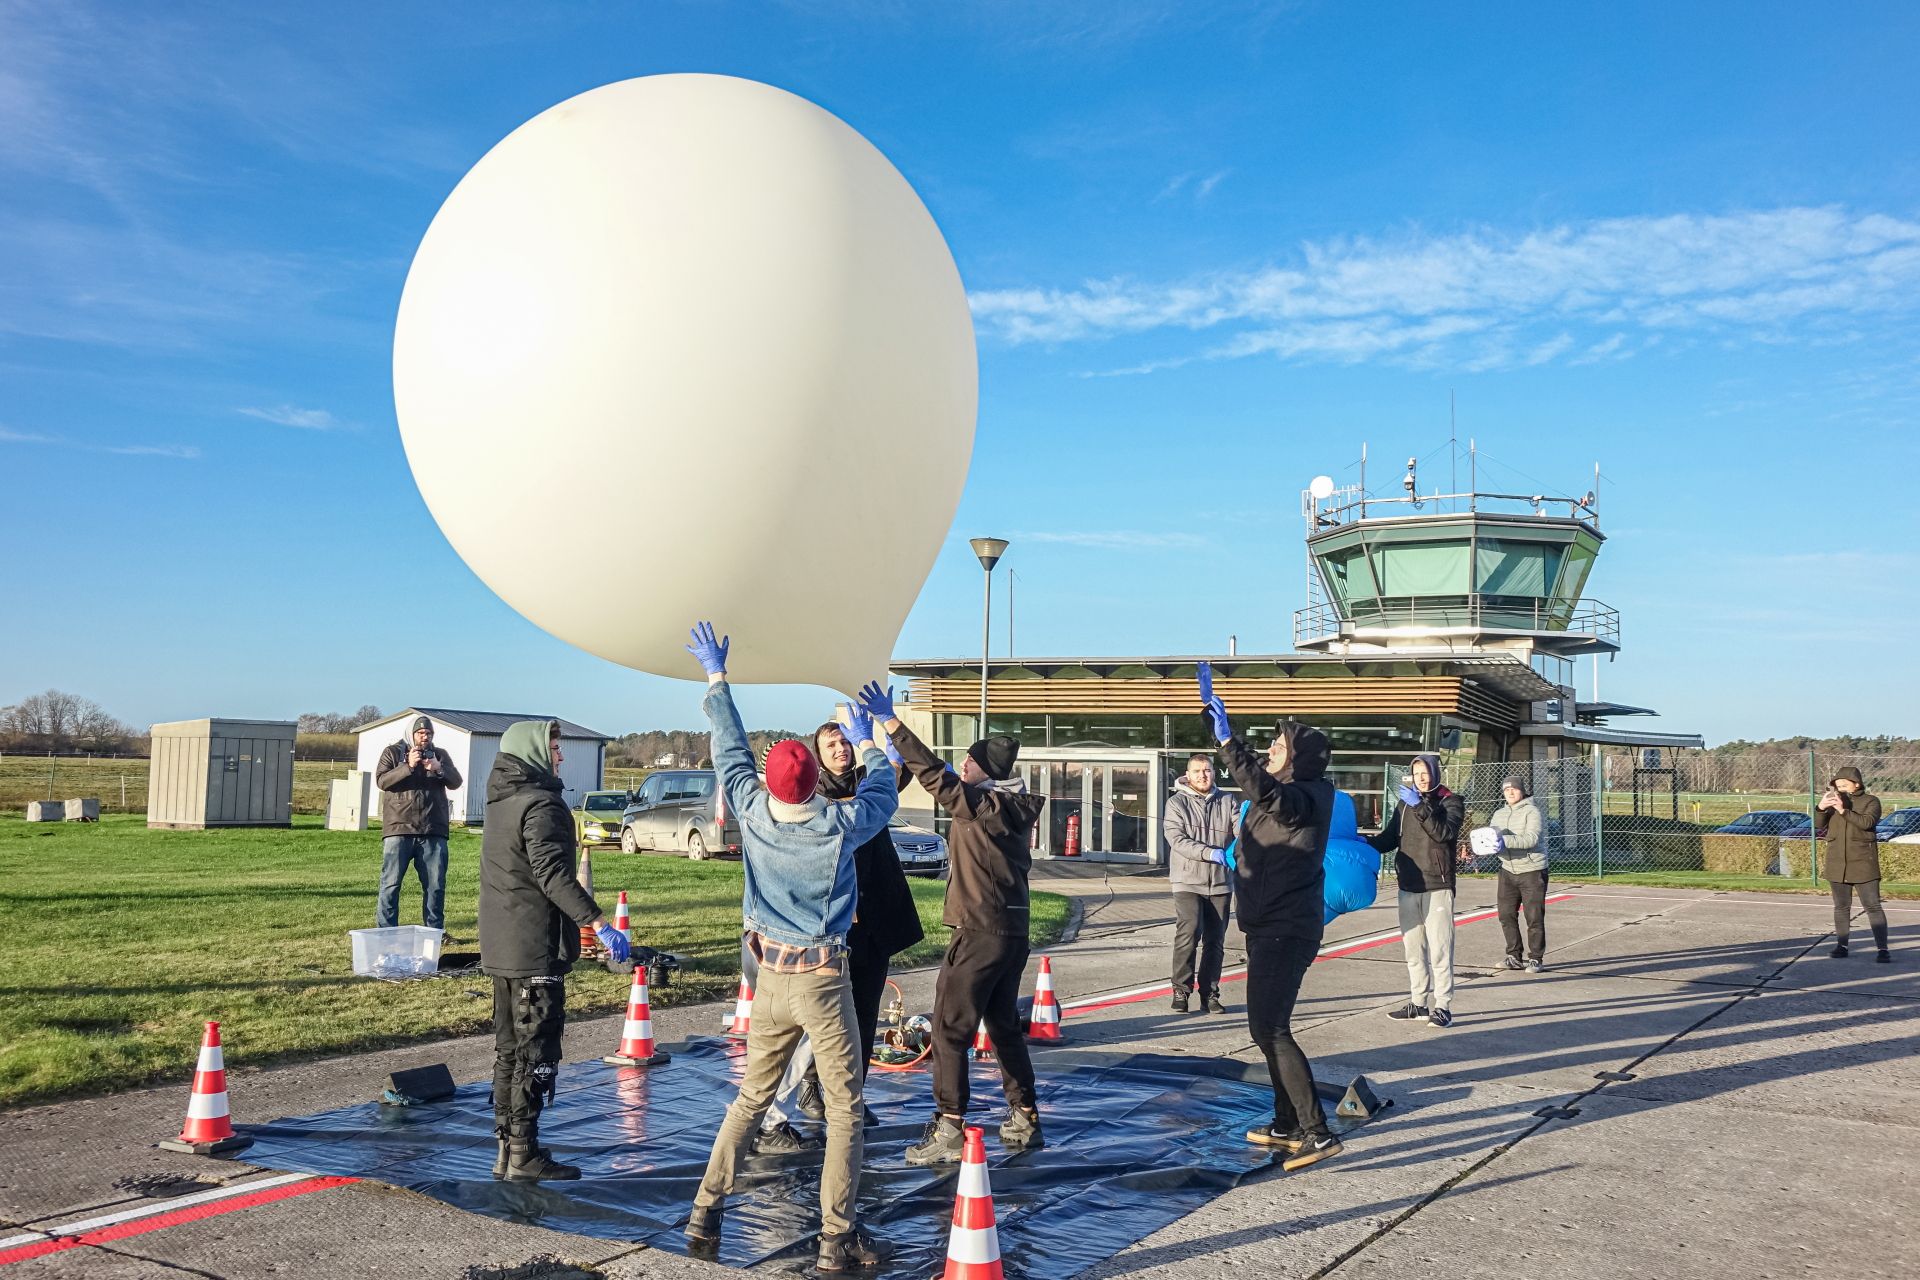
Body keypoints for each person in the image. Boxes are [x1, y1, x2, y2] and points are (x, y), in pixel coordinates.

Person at [682, 624, 899, 1272]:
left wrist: (717, 678)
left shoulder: (750, 810)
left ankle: (704, 1211)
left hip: (768, 979)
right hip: (823, 981)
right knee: (846, 1109)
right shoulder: (837, 826)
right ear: (810, 785)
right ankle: (837, 1238)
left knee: (751, 1099)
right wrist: (869, 740)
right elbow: (883, 791)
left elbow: (729, 749)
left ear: (771, 784)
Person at [859, 683, 1048, 1167]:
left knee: (948, 1030)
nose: (961, 765)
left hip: (979, 932)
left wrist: (892, 724)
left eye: (969, 760)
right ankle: (1024, 1114)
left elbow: (933, 777)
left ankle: (949, 1127)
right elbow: (942, 772)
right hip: (1012, 932)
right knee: (1003, 1025)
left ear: (988, 773)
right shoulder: (1006, 804)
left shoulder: (984, 807)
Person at [751, 718, 926, 1153]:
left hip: (873, 923)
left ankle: (849, 1096)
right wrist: (875, 735)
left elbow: (890, 779)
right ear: (816, 754)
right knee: (818, 1023)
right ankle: (808, 1095)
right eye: (832, 744)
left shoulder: (867, 784)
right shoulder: (814, 801)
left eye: (847, 742)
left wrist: (885, 745)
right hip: (831, 932)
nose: (842, 749)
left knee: (862, 1016)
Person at [1196, 662, 1343, 1171]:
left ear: (1300, 758)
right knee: (1266, 1028)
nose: (1271, 751)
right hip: (1266, 925)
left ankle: (1318, 1132)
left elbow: (1269, 793)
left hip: (1287, 928)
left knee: (1272, 1028)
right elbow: (1260, 797)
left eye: (1280, 747)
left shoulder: (1306, 796)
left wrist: (1228, 744)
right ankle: (1286, 1123)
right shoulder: (1292, 793)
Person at [478, 720, 630, 1183]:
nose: (560, 756)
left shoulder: (501, 802)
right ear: (534, 753)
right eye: (555, 748)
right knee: (536, 1049)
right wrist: (598, 924)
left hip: (502, 944)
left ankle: (507, 1145)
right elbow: (553, 876)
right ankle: (524, 1150)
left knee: (508, 1049)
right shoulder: (542, 805)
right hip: (533, 946)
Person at [1370, 754, 1465, 1028]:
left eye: (1425, 772)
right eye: (1417, 773)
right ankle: (1418, 1003)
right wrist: (1361, 842)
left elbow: (1443, 834)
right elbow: (1389, 838)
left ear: (1435, 773)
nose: (1421, 778)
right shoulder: (1403, 804)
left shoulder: (1450, 801)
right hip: (1409, 884)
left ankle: (1443, 1006)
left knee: (1440, 950)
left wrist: (1420, 806)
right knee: (1413, 950)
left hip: (1437, 884)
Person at [375, 715, 463, 934]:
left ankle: (435, 933)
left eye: (429, 733)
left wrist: (439, 769)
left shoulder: (440, 755)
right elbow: (382, 781)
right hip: (399, 828)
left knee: (435, 886)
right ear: (411, 734)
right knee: (391, 885)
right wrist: (408, 766)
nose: (425, 737)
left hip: (433, 830)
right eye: (421, 733)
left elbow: (456, 782)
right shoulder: (392, 753)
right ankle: (386, 932)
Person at [1165, 752, 1237, 1014]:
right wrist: (1211, 853)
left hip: (1220, 882)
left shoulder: (1228, 800)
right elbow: (1177, 839)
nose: (1202, 775)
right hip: (1187, 880)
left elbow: (1240, 830)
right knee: (1190, 931)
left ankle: (1210, 994)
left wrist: (1242, 840)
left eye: (1207, 770)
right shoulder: (1176, 803)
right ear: (1188, 774)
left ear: (1214, 773)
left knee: (1216, 940)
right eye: (1197, 771)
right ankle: (1181, 990)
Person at [1818, 767, 1889, 962]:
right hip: (1836, 863)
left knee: (1873, 906)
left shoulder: (1871, 801)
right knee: (1841, 907)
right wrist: (1821, 808)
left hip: (1863, 863)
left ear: (1856, 783)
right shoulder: (1834, 802)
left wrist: (1843, 810)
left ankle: (1882, 949)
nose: (1840, 787)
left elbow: (1867, 822)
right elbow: (1818, 825)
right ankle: (1842, 946)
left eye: (1844, 784)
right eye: (1837, 785)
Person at [1489, 776, 1547, 972]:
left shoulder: (1532, 811)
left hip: (1531, 871)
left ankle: (1536, 958)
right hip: (1507, 870)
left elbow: (1531, 838)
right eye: (1506, 790)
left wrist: (1504, 841)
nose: (1510, 792)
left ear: (1522, 791)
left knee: (1534, 917)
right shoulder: (1498, 814)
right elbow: (1491, 838)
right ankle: (1514, 956)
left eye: (1514, 789)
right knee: (1505, 915)